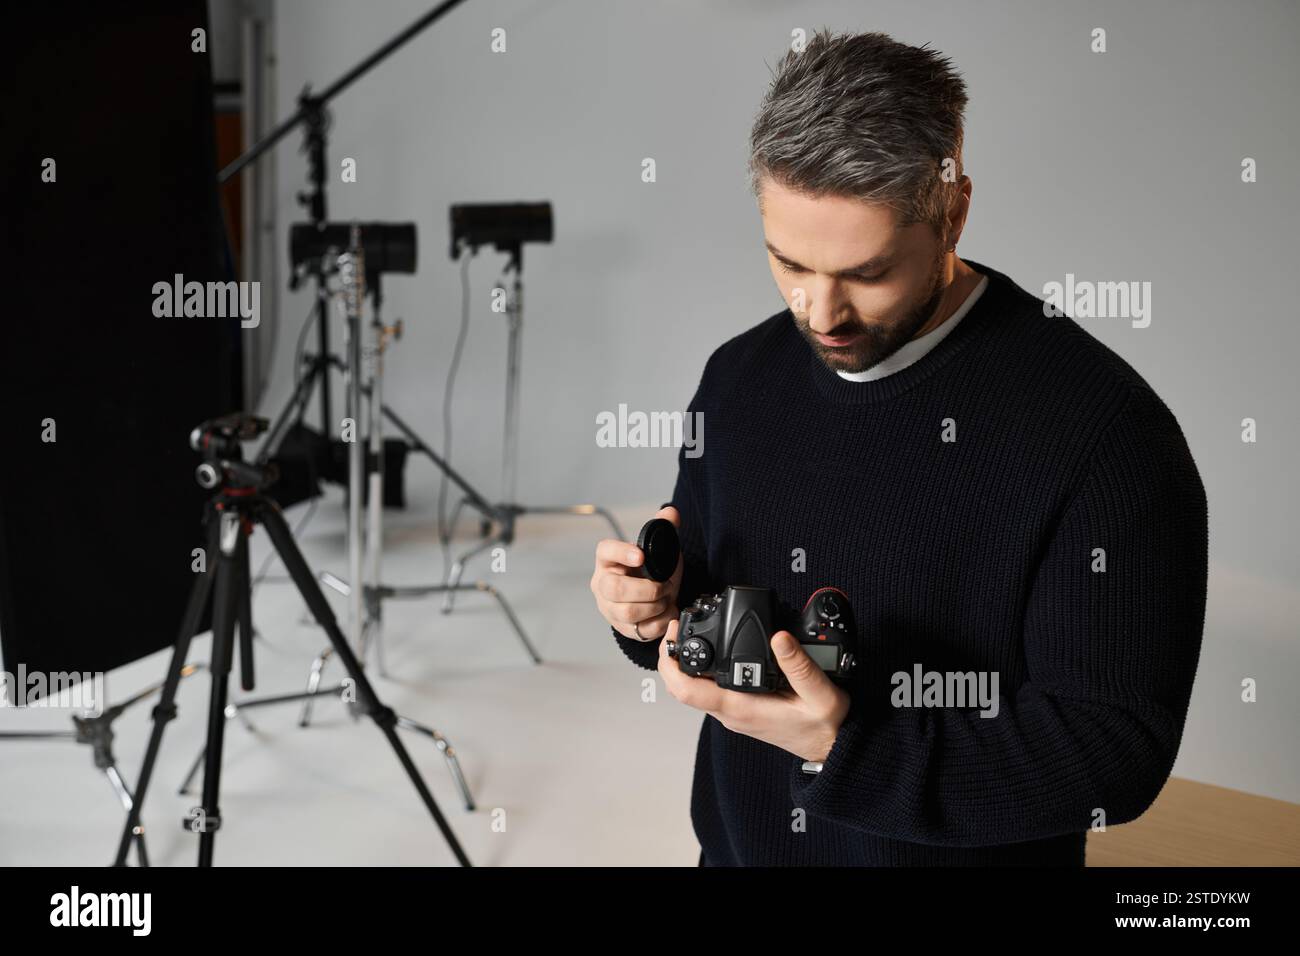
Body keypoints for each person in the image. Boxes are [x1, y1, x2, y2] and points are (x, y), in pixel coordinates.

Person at [590, 29, 1207, 866]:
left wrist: (847, 746)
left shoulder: (1106, 437)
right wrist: (649, 613)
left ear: (952, 211)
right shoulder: (737, 379)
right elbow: (709, 600)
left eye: (867, 273)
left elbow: (1114, 754)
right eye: (788, 263)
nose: (820, 313)